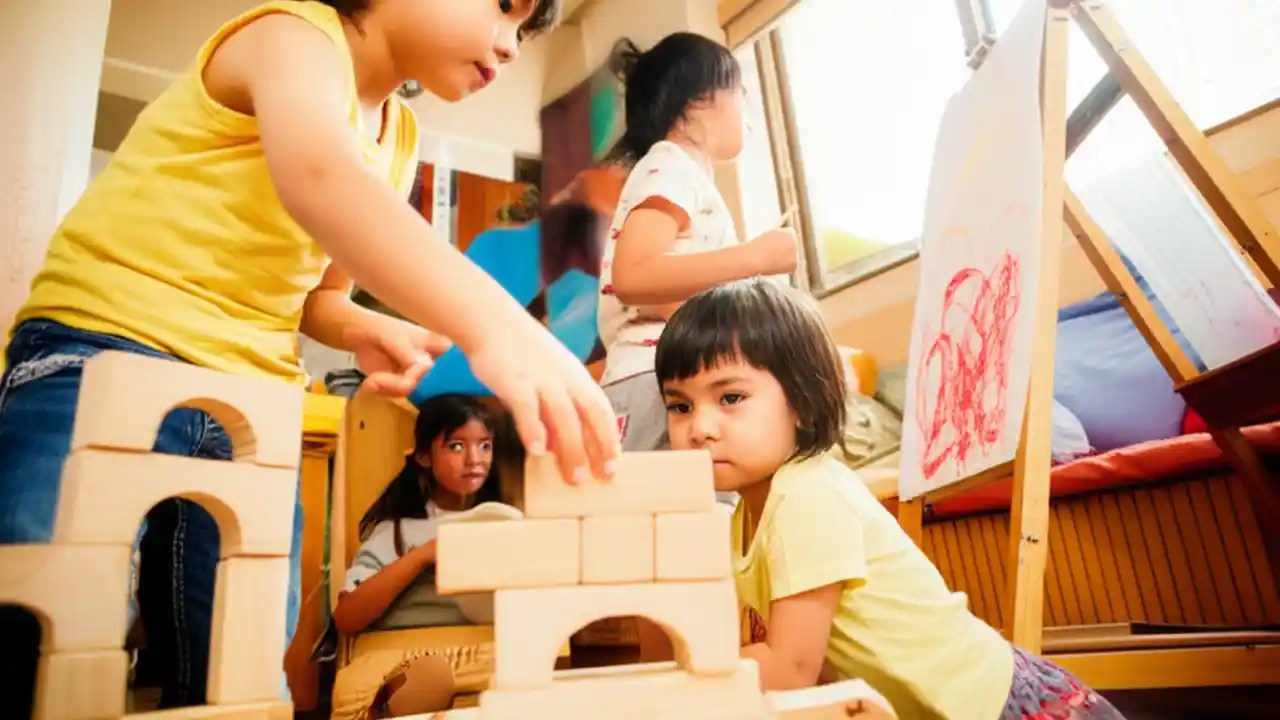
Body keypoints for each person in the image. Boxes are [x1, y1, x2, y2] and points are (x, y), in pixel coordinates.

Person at [0, 0, 618, 710]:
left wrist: (360, 327)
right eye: (504, 9)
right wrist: (502, 330)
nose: (510, 47)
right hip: (100, 349)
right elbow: (321, 180)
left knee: (238, 660)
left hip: (247, 401)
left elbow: (318, 295)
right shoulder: (290, 36)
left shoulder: (398, 134)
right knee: (42, 610)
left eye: (525, 31)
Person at [649, 279, 1125, 720]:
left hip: (993, 705)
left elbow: (788, 670)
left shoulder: (806, 495)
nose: (699, 429)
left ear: (802, 399)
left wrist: (664, 678)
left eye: (729, 398)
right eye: (680, 406)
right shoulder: (745, 516)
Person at [597, 32, 798, 453]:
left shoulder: (681, 174)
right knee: (688, 512)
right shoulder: (672, 164)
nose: (747, 110)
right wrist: (755, 257)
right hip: (661, 380)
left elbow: (667, 295)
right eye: (740, 91)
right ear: (698, 101)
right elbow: (632, 276)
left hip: (663, 379)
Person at [330, 394, 505, 718]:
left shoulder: (502, 522)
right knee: (430, 674)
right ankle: (394, 699)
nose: (474, 459)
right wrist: (422, 556)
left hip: (486, 652)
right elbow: (347, 617)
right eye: (456, 446)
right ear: (424, 456)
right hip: (404, 652)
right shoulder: (397, 532)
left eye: (484, 445)